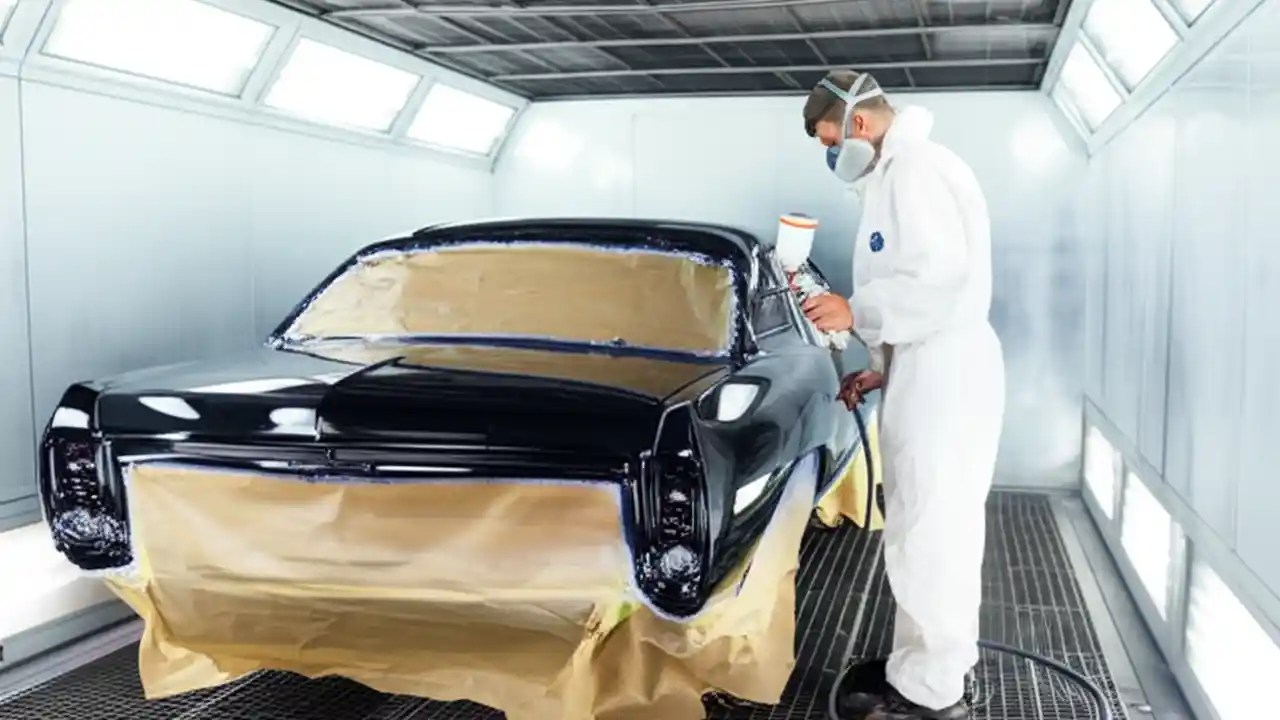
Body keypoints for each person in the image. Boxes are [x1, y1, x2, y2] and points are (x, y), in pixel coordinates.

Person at [799, 70, 1006, 720]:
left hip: (945, 372)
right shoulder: (895, 175)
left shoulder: (914, 171)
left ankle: (934, 694)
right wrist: (882, 368)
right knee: (924, 528)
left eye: (829, 140)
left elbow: (939, 280)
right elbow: (926, 291)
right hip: (929, 364)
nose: (832, 156)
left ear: (858, 123)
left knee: (930, 535)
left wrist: (852, 311)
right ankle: (920, 671)